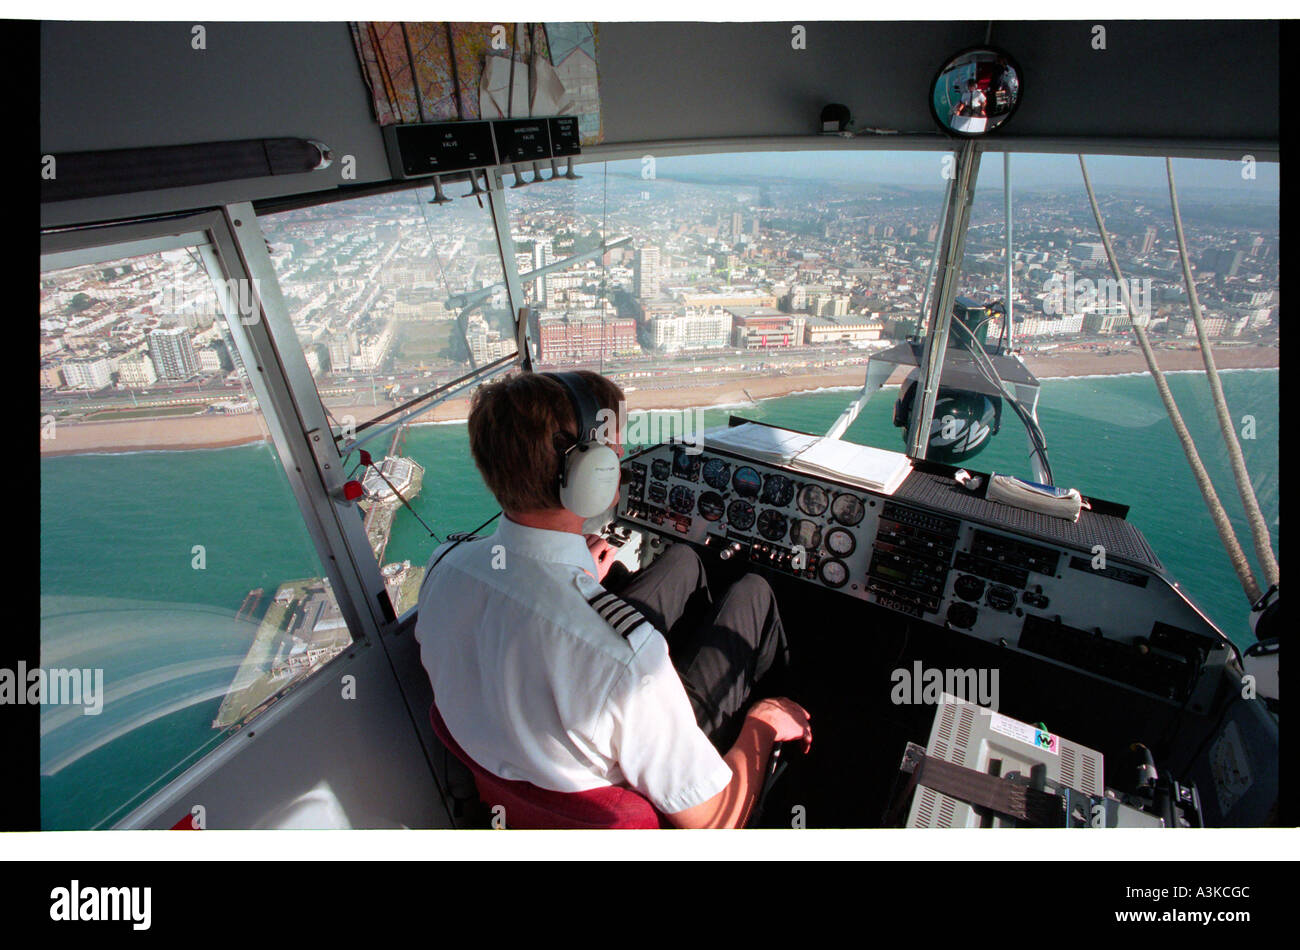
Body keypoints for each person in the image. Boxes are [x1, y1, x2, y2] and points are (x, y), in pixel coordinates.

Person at [414, 369, 811, 828]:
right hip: (638, 791)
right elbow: (714, 823)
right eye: (613, 454)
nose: (620, 465)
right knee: (753, 592)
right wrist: (762, 723)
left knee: (684, 559)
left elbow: (524, 611)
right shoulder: (627, 658)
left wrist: (579, 578)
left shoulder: (445, 565)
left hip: (530, 765)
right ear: (585, 475)